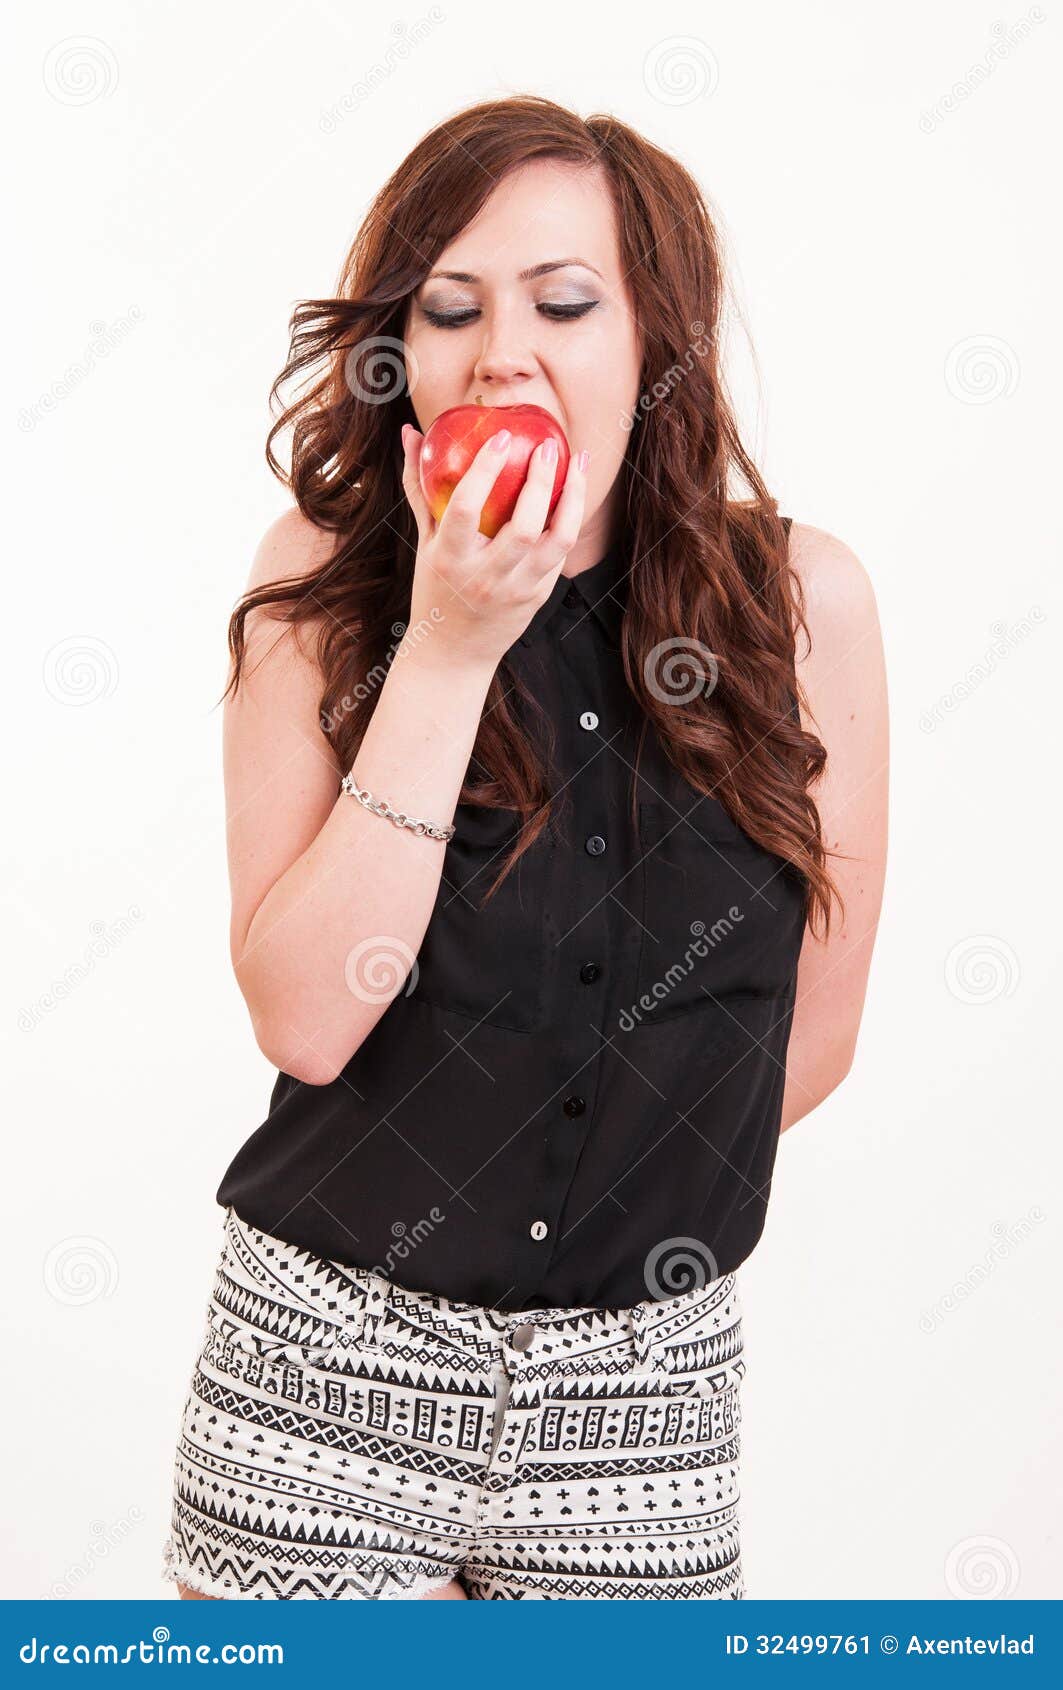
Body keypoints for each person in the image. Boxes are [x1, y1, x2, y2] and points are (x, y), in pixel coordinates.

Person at [162, 94, 888, 1602]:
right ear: (404, 355)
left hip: (646, 1406)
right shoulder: (319, 588)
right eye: (448, 308)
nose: (503, 350)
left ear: (655, 343)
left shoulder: (803, 605)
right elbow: (303, 1014)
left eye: (564, 301)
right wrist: (446, 652)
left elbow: (805, 1039)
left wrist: (603, 1275)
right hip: (325, 1384)